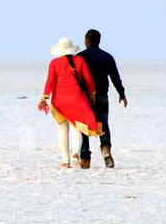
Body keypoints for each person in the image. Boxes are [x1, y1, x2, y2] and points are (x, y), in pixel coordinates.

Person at [39, 38, 102, 169]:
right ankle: (75, 155)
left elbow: (50, 81)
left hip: (59, 102)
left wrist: (45, 96)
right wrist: (92, 94)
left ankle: (66, 162)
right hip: (77, 100)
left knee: (62, 131)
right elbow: (89, 80)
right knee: (76, 128)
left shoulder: (54, 63)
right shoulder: (80, 61)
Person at [76, 29, 127, 168]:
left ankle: (85, 158)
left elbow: (74, 79)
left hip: (85, 98)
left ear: (86, 41)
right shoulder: (107, 57)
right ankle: (105, 149)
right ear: (99, 41)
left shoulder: (79, 57)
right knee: (103, 124)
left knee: (83, 127)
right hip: (102, 96)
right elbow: (115, 78)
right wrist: (122, 94)